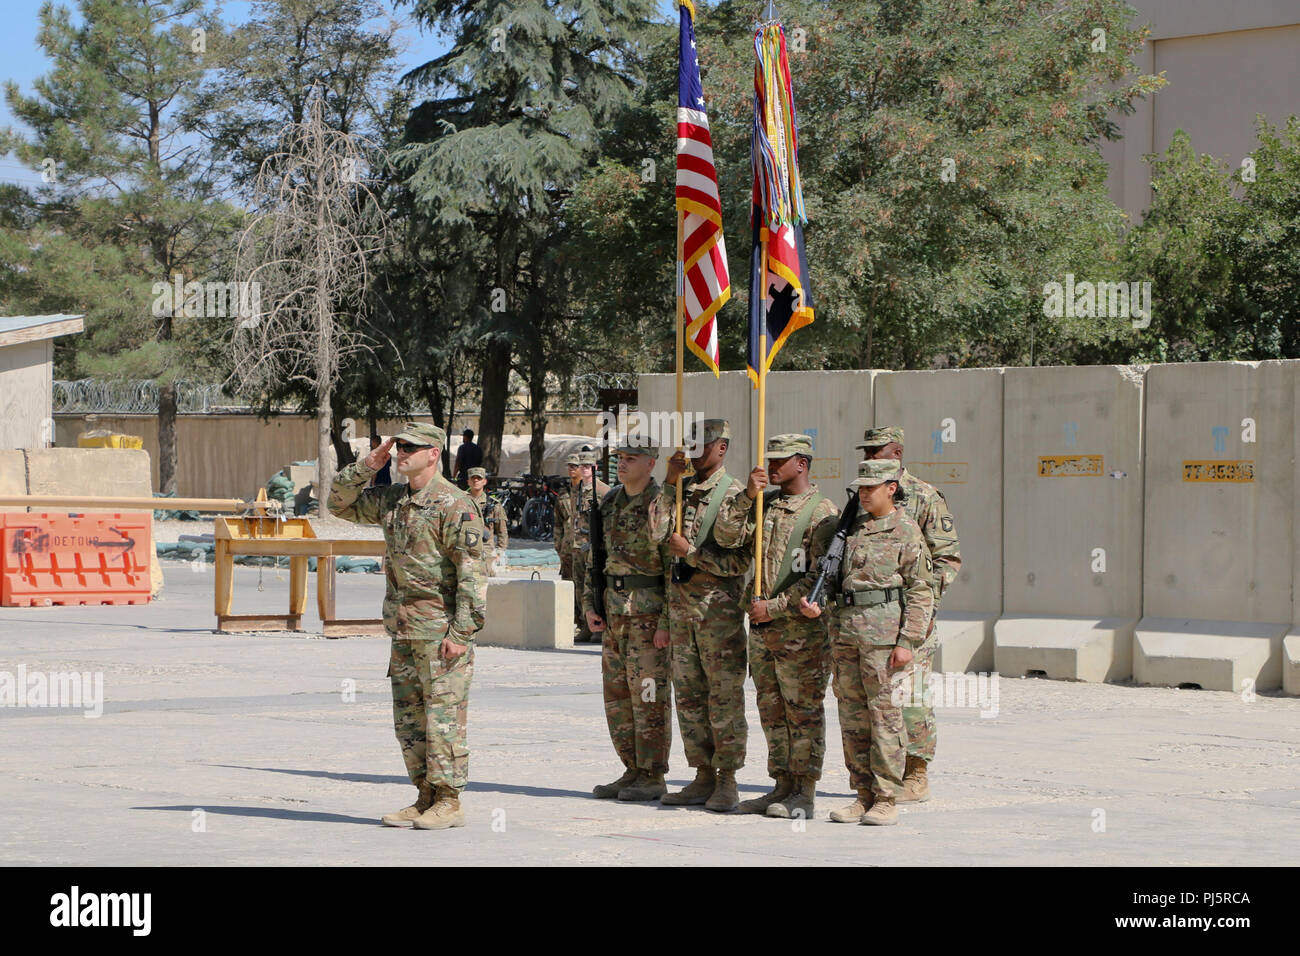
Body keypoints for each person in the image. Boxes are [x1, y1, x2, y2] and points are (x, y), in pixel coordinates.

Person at [327, 422, 487, 830]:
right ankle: (424, 796)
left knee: (443, 719)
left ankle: (449, 801)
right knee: (410, 722)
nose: (401, 453)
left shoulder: (456, 504)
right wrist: (366, 465)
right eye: (399, 447)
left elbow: (472, 573)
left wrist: (461, 633)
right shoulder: (395, 500)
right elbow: (338, 504)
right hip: (404, 629)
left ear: (433, 453)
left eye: (411, 448)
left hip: (441, 630)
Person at [798, 458, 933, 827]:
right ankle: (862, 794)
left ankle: (887, 796)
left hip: (885, 641)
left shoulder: (905, 530)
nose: (864, 494)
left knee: (886, 719)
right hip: (845, 636)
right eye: (860, 487)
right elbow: (833, 580)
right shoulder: (848, 530)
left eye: (871, 488)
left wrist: (908, 641)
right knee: (853, 718)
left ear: (891, 488)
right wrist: (817, 603)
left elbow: (921, 591)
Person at [712, 433, 839, 819]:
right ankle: (781, 783)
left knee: (802, 712)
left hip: (800, 634)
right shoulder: (765, 506)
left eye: (781, 460)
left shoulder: (822, 513)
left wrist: (776, 607)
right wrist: (747, 496)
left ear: (802, 463)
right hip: (764, 632)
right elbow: (726, 536)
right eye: (770, 459)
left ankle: (804, 789)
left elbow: (822, 578)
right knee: (771, 709)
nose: (772, 466)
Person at [648, 419, 750, 812]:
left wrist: (692, 553)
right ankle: (702, 774)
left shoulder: (736, 494)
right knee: (689, 698)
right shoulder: (681, 490)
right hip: (681, 614)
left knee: (723, 699)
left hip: (717, 616)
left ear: (721, 448)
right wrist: (670, 481)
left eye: (701, 445)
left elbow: (742, 559)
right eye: (689, 444)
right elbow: (655, 532)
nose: (692, 451)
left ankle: (727, 779)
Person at [857, 426, 961, 802]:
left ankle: (916, 772)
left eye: (876, 452)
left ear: (897, 454)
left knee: (911, 698)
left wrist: (922, 609)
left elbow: (947, 559)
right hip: (870, 622)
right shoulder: (861, 497)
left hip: (911, 618)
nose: (870, 459)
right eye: (866, 453)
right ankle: (882, 775)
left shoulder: (926, 496)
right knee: (878, 701)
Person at [584, 436, 672, 802]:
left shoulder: (661, 502)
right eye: (620, 458)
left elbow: (672, 567)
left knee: (648, 696)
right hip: (614, 612)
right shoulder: (609, 502)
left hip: (647, 614)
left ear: (651, 463)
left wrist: (667, 621)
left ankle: (652, 774)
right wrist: (590, 604)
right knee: (617, 696)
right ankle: (632, 768)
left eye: (631, 458)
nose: (622, 464)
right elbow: (596, 557)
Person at [570, 447, 609, 644]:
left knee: (595, 585)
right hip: (577, 547)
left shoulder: (603, 491)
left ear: (594, 467)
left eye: (587, 466)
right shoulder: (576, 490)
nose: (584, 470)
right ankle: (584, 625)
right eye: (581, 466)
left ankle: (598, 626)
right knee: (579, 587)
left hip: (593, 547)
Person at [466, 466, 508, 576]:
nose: (475, 480)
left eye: (479, 478)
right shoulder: (461, 502)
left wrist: (499, 553)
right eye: (473, 478)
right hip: (465, 553)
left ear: (484, 481)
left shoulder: (494, 505)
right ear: (468, 481)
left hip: (487, 554)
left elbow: (502, 531)